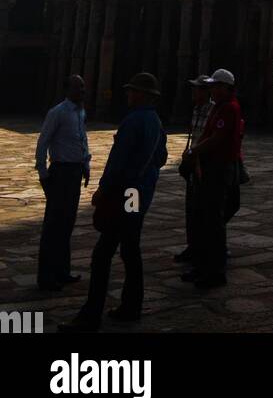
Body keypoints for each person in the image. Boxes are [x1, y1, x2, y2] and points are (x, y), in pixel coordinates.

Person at [58, 72, 167, 333]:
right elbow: (161, 159)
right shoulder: (156, 122)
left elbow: (117, 162)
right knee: (130, 249)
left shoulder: (134, 121)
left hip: (124, 192)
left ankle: (91, 315)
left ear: (142, 95)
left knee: (102, 252)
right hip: (140, 194)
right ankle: (131, 306)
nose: (128, 94)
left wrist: (103, 190)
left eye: (131, 91)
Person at [181, 68, 241, 289]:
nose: (212, 89)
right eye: (211, 86)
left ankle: (214, 271)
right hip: (209, 167)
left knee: (212, 221)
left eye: (216, 86)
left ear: (227, 88)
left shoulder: (229, 109)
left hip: (219, 168)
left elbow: (217, 139)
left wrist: (193, 152)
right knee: (204, 219)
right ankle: (202, 266)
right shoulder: (220, 108)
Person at [35, 74, 91, 290]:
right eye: (79, 88)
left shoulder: (80, 112)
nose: (83, 91)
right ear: (68, 90)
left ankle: (62, 271)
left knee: (67, 223)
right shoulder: (57, 113)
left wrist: (85, 165)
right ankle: (46, 276)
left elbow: (82, 139)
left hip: (75, 172)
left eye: (84, 87)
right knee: (53, 226)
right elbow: (43, 142)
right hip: (60, 172)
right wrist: (43, 173)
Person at [175, 75, 215, 267]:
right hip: (193, 162)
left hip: (205, 164)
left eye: (199, 89)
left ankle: (207, 249)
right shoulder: (197, 110)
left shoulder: (214, 111)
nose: (195, 92)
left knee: (204, 208)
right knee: (191, 207)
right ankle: (193, 246)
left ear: (208, 91)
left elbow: (212, 139)